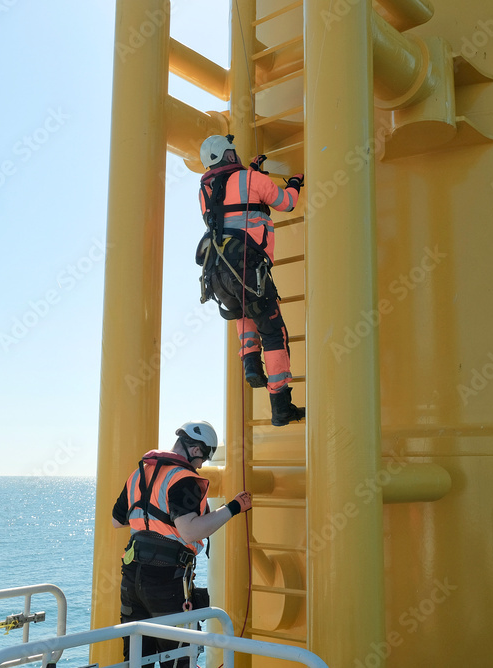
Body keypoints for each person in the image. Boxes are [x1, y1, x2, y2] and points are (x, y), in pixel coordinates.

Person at [111, 420, 252, 667]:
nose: (200, 467)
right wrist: (233, 507)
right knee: (177, 658)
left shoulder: (139, 474)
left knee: (136, 657)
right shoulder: (184, 479)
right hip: (166, 580)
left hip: (132, 577)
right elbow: (189, 532)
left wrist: (152, 517)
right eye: (202, 461)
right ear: (196, 450)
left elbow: (116, 520)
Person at [197, 134, 306, 426]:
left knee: (244, 313)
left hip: (218, 273)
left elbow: (233, 203)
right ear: (230, 156)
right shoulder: (250, 179)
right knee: (273, 333)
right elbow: (286, 203)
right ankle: (281, 405)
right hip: (248, 268)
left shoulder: (204, 190)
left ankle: (250, 365)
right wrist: (295, 182)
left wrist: (254, 174)